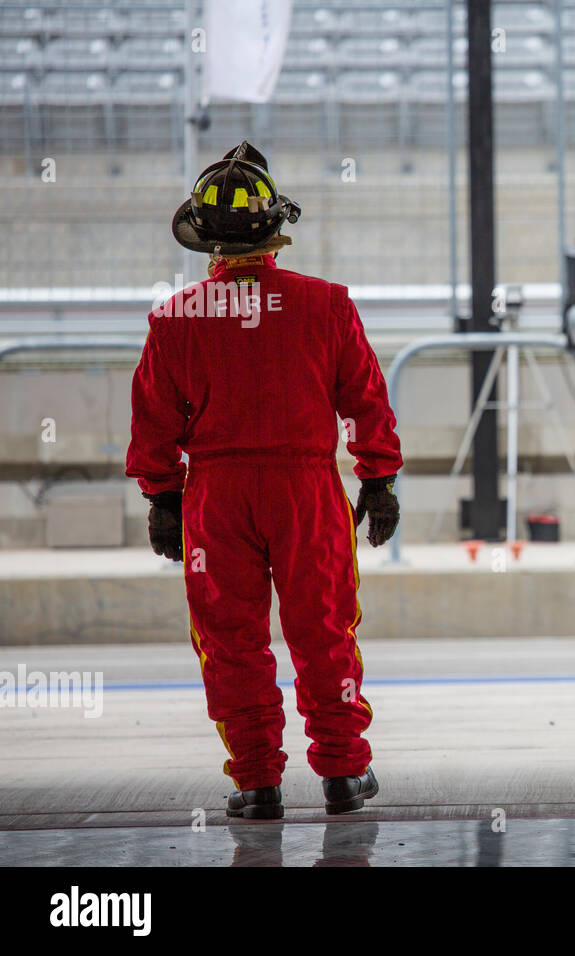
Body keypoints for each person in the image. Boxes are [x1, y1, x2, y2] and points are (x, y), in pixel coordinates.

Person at [126, 142, 403, 818]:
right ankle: (342, 772)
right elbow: (365, 399)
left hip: (215, 499)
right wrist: (378, 479)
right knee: (324, 628)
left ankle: (257, 783)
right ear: (275, 224)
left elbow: (154, 419)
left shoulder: (174, 318)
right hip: (305, 492)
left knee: (230, 639)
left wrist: (164, 499)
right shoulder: (327, 304)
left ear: (204, 235)